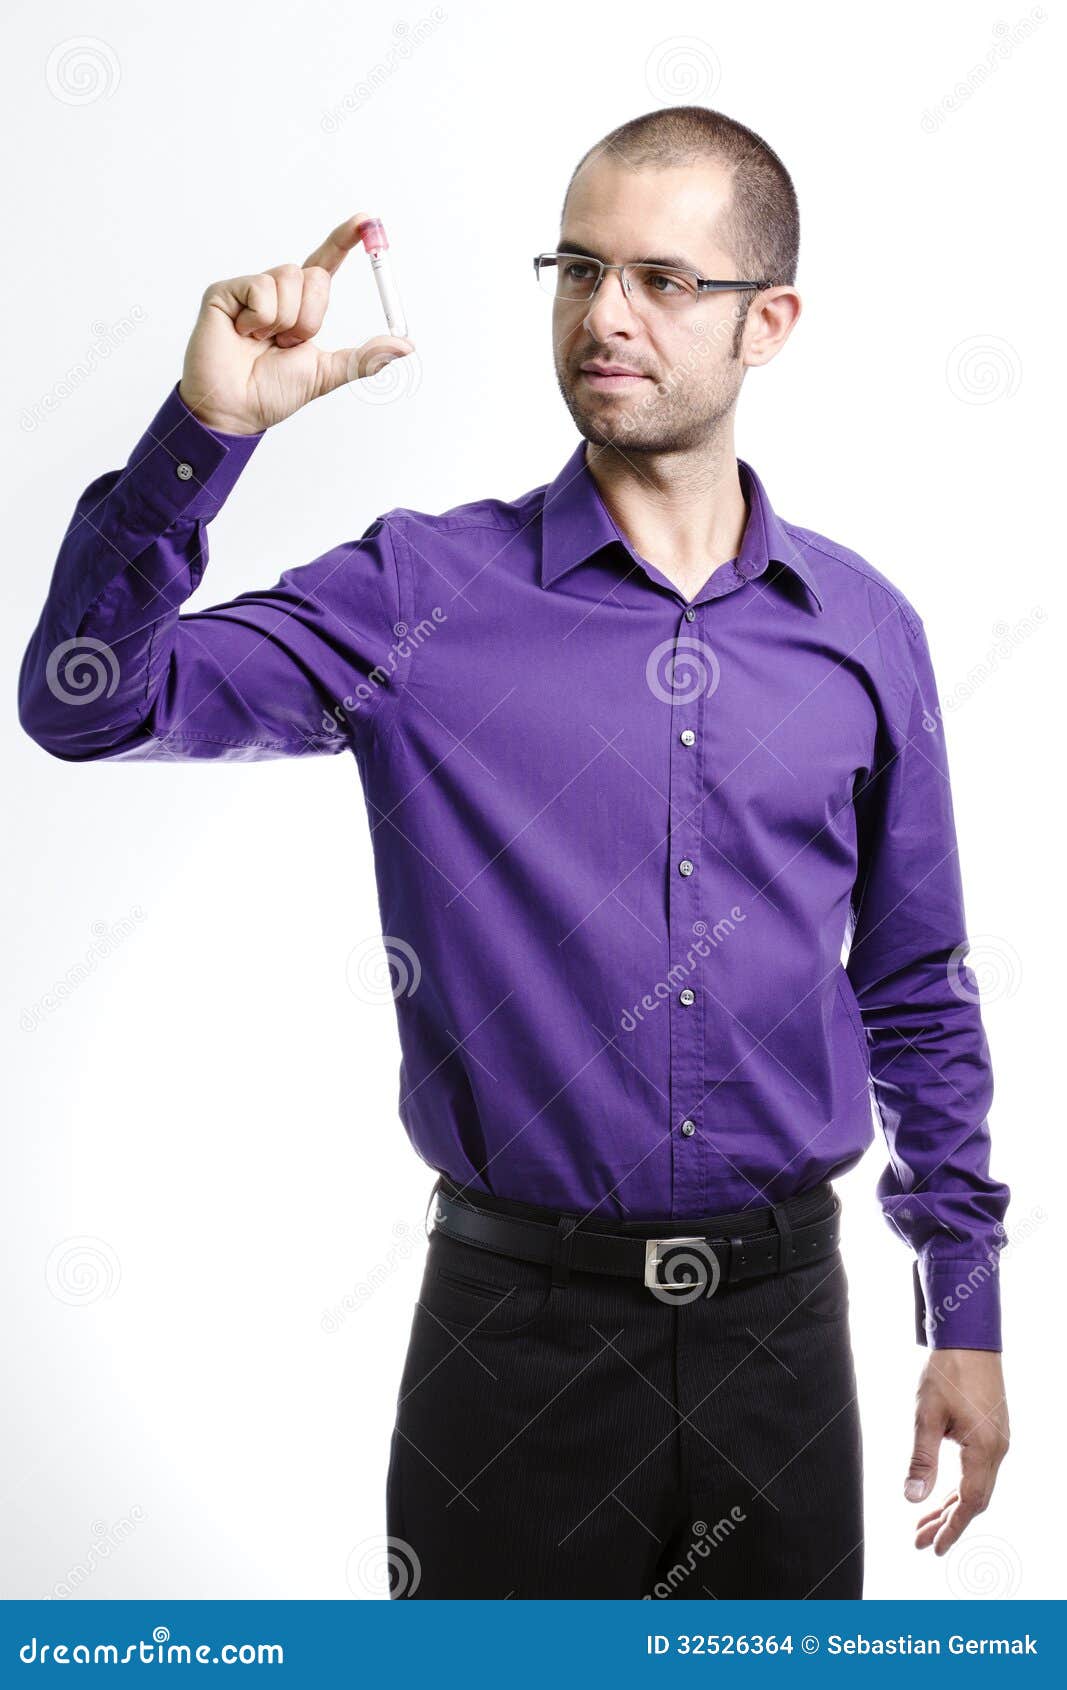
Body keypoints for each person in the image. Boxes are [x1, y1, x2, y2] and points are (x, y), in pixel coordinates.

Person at [18, 105, 1010, 1599]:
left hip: (783, 1349)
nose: (604, 315)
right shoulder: (420, 595)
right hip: (516, 1346)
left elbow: (919, 986)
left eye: (663, 280)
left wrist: (968, 1308)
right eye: (577, 268)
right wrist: (206, 436)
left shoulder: (865, 633)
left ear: (771, 321)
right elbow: (89, 705)